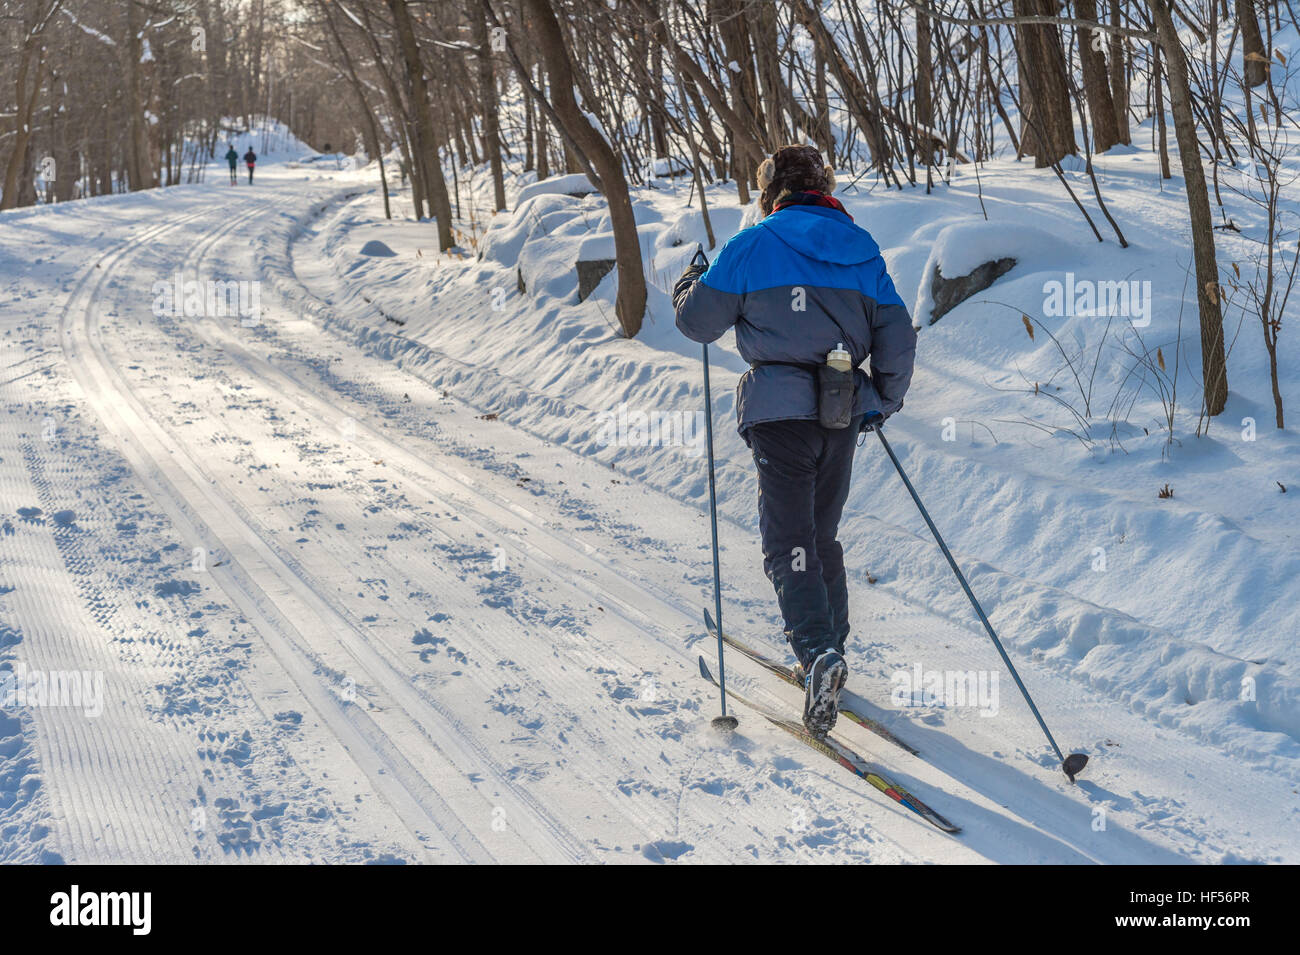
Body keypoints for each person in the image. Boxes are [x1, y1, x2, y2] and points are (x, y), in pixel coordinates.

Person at [673, 144, 916, 738]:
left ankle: (816, 655)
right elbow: (898, 336)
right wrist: (881, 400)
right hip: (840, 413)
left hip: (779, 416)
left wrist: (691, 278)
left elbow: (697, 322)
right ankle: (831, 646)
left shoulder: (752, 245)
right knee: (819, 533)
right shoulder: (862, 251)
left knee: (788, 542)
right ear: (823, 187)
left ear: (770, 191)